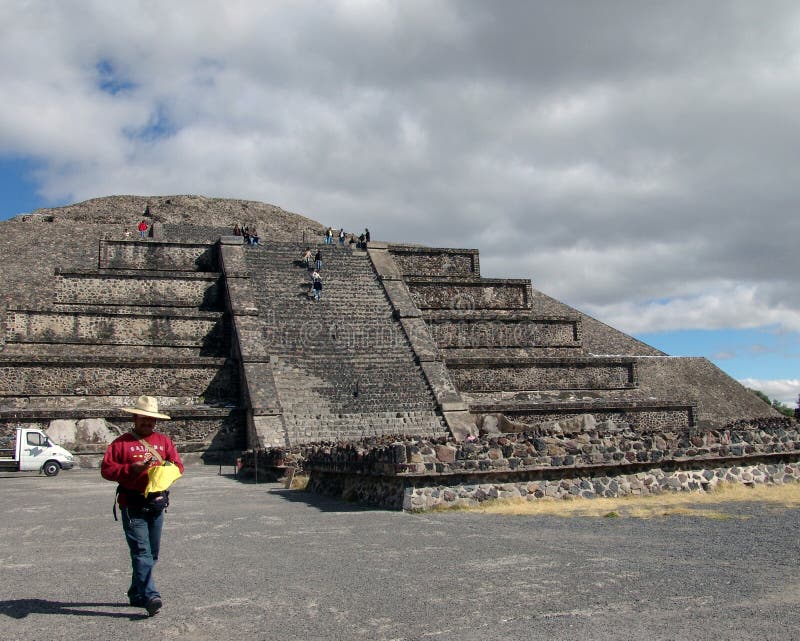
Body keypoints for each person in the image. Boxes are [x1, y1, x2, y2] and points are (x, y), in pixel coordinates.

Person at [101, 395, 185, 617]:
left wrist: (165, 473)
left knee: (152, 554)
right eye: (144, 419)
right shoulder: (121, 444)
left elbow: (178, 466)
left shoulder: (164, 442)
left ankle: (136, 593)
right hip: (132, 503)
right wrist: (131, 469)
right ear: (135, 418)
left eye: (151, 420)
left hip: (156, 502)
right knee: (141, 551)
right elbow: (107, 470)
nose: (147, 423)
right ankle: (150, 596)